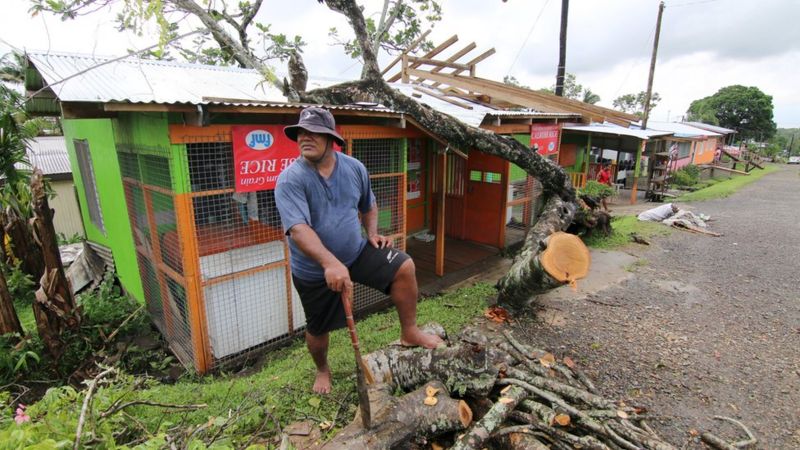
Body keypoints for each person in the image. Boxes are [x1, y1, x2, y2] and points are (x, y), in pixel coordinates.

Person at [275, 106, 443, 394]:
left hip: (355, 253)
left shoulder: (354, 168)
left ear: (331, 138)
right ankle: (323, 369)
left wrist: (373, 233)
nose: (305, 137)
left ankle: (410, 332)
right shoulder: (291, 179)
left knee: (404, 266)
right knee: (317, 329)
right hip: (315, 269)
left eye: (314, 133)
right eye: (301, 132)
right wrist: (329, 263)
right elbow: (298, 229)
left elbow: (369, 204)